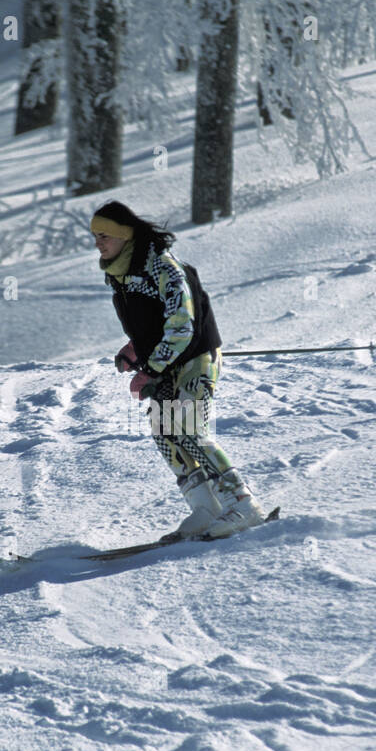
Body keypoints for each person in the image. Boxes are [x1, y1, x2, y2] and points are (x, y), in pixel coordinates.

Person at [91, 200, 266, 539]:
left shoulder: (163, 268)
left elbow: (183, 326)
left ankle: (243, 504)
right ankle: (206, 508)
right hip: (170, 359)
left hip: (195, 356)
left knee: (188, 427)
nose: (99, 242)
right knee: (163, 430)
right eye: (95, 236)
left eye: (105, 235)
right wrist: (136, 349)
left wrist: (151, 369)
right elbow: (154, 321)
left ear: (125, 235)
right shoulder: (123, 272)